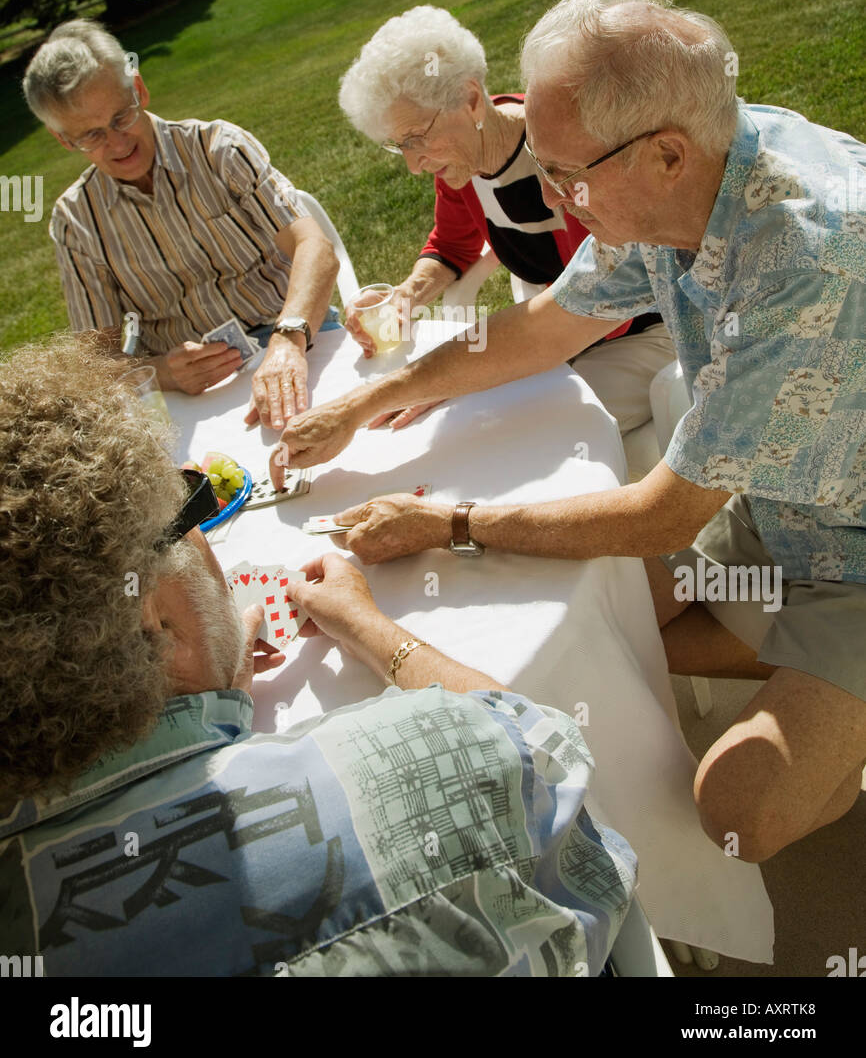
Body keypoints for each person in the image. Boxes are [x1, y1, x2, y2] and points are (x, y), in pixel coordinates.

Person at [271, 0, 866, 865]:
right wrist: (365, 400)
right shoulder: (680, 168)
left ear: (664, 153)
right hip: (782, 503)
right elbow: (548, 325)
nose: (555, 195)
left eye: (565, 175)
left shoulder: (807, 258)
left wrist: (453, 523)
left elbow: (662, 514)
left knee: (738, 809)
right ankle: (812, 666)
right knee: (620, 632)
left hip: (851, 545)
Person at [0, 336, 637, 977]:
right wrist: (369, 628)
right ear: (155, 624)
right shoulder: (444, 766)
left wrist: (200, 702)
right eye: (186, 507)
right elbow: (547, 762)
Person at [337, 1, 674, 432]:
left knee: (518, 429)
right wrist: (406, 296)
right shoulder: (462, 166)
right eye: (400, 145)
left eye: (417, 139)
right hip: (559, 337)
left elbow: (601, 302)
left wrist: (474, 370)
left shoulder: (561, 154)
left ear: (472, 101)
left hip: (643, 330)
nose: (413, 165)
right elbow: (451, 246)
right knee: (462, 422)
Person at [22, 19, 341, 430]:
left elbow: (314, 248)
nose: (118, 144)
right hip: (191, 391)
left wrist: (287, 341)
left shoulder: (220, 150)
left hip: (299, 334)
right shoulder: (76, 222)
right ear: (64, 140)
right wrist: (163, 373)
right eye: (92, 136)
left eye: (121, 117)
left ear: (138, 90)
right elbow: (94, 361)